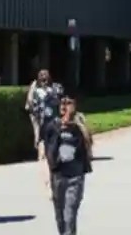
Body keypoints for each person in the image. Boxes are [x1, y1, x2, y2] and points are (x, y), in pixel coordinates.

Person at [42, 95, 93, 235]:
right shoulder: (52, 126)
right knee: (60, 217)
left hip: (75, 178)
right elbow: (45, 153)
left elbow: (88, 146)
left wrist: (75, 124)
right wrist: (46, 180)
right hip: (58, 177)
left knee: (70, 215)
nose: (65, 106)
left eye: (69, 103)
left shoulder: (80, 127)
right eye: (62, 103)